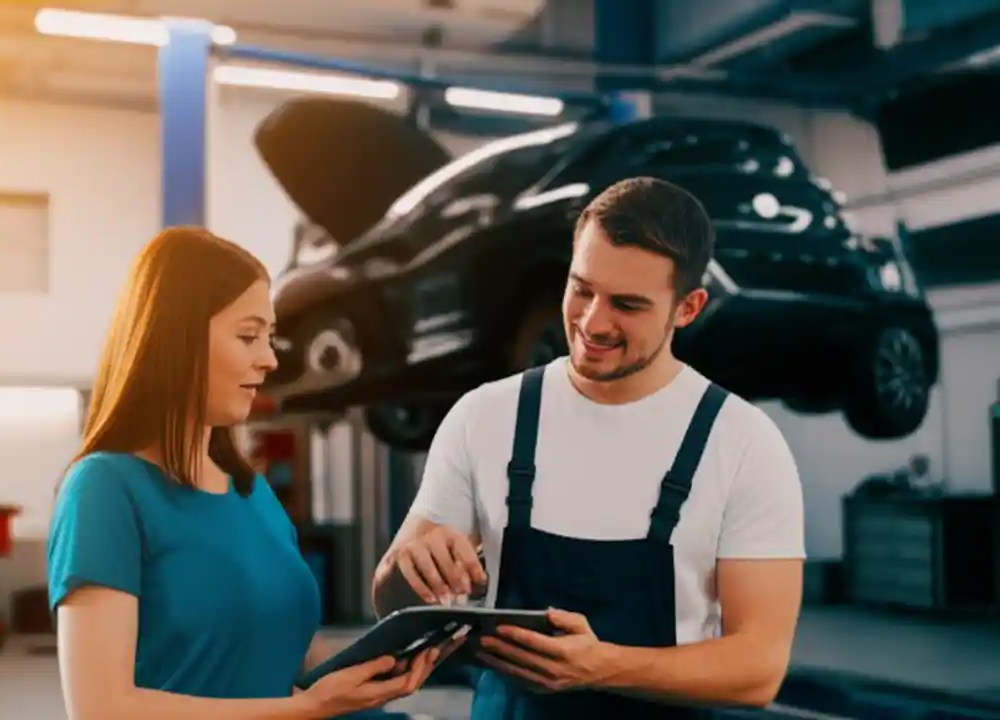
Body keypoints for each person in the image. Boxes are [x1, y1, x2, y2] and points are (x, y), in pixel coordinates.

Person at [373, 178, 806, 718]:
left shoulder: (742, 443)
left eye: (627, 304)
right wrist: (407, 571)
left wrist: (601, 665)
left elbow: (759, 667)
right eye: (582, 289)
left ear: (688, 307)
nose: (593, 322)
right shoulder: (486, 417)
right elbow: (392, 602)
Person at [48, 227, 457, 720]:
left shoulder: (251, 494)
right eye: (248, 336)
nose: (268, 358)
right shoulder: (105, 490)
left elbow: (295, 655)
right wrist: (303, 709)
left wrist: (403, 653)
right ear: (175, 338)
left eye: (269, 336)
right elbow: (103, 709)